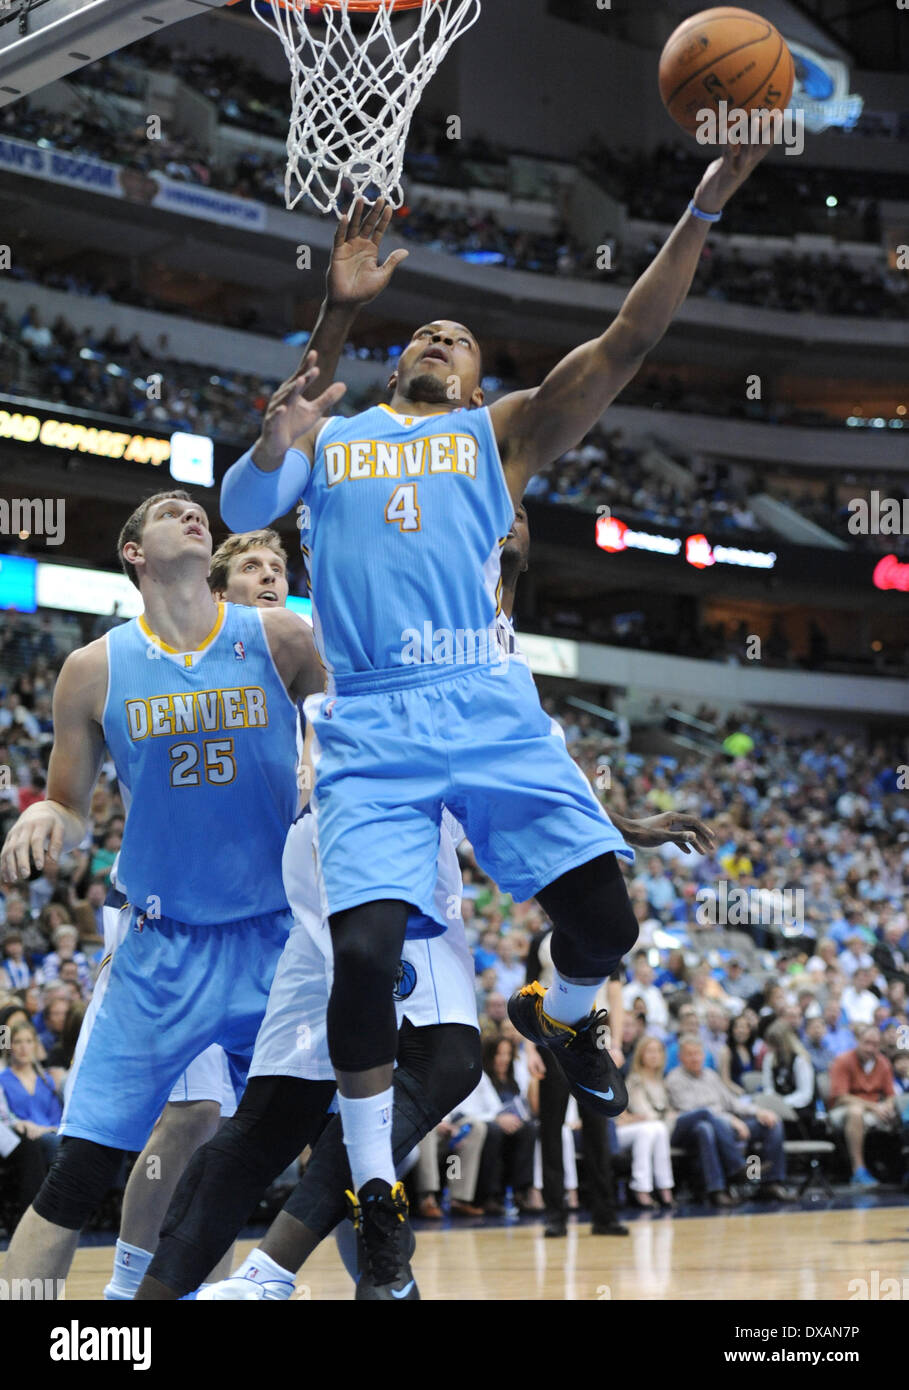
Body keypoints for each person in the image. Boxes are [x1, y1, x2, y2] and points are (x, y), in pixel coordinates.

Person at [221, 145, 767, 1294]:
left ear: (477, 382)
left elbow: (629, 340)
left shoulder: (501, 436)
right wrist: (336, 304)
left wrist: (706, 199)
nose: (436, 336)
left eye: (459, 338)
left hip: (485, 703)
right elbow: (248, 491)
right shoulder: (334, 435)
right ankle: (378, 1197)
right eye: (422, 330)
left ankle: (561, 1010)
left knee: (607, 926)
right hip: (372, 720)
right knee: (364, 957)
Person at [0, 485, 326, 1296]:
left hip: (277, 940)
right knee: (77, 1176)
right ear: (134, 552)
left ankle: (375, 1287)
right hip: (161, 945)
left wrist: (320, 752)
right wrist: (42, 822)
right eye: (166, 508)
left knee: (352, 1139)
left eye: (196, 508)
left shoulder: (279, 635)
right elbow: (72, 805)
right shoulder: (93, 669)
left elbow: (340, 715)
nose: (190, 510)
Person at [666, 1036, 793, 1205]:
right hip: (692, 1130)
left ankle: (771, 1183)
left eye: (698, 1053)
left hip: (726, 1127)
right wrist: (731, 1120)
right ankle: (728, 1178)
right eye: (689, 1054)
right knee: (707, 1125)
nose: (695, 1058)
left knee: (772, 1123)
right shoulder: (674, 1079)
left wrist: (759, 1111)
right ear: (680, 1057)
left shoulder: (711, 1076)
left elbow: (733, 1103)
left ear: (704, 1055)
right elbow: (693, 1111)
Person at [828, 1025, 898, 1188]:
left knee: (900, 1110)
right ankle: (858, 1170)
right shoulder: (843, 1060)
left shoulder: (883, 1062)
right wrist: (874, 1107)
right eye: (867, 1042)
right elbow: (841, 1097)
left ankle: (898, 1169)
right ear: (857, 1041)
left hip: (873, 1107)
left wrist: (887, 1106)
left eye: (875, 1044)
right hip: (842, 1108)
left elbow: (890, 1095)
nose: (870, 1048)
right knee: (856, 1112)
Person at [616, 1035, 675, 1207]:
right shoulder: (635, 1080)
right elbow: (644, 1113)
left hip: (652, 1129)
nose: (654, 1055)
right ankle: (642, 1188)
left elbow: (666, 1112)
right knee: (651, 1128)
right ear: (640, 1054)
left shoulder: (661, 1081)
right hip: (626, 1128)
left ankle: (664, 1187)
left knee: (656, 1128)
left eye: (657, 1051)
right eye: (649, 1051)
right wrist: (666, 1117)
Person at [0, 1022, 62, 1168]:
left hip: (49, 1132)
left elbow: (56, 1118)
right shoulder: (3, 1080)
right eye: (18, 1042)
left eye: (28, 1041)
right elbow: (6, 1117)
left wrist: (46, 1129)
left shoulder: (46, 1079)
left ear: (35, 1045)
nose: (24, 1048)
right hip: (23, 1136)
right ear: (9, 1047)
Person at [718, 1013, 761, 1093]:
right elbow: (725, 1081)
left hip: (752, 1092)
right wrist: (742, 1093)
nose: (741, 1031)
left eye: (745, 1027)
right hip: (735, 1094)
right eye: (738, 1027)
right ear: (732, 1030)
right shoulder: (726, 1051)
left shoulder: (751, 1050)